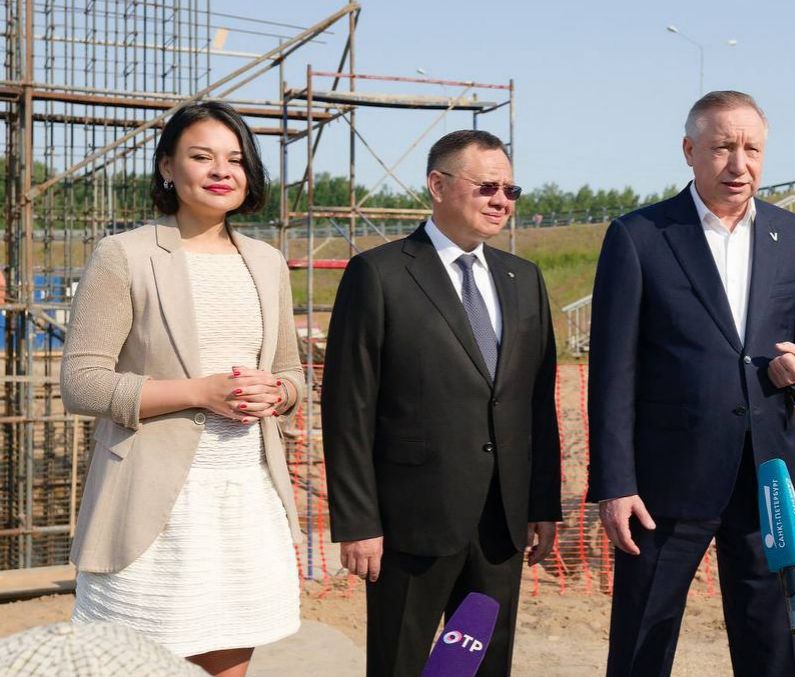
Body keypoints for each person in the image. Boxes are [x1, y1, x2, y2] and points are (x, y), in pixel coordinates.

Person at [587, 91, 795, 677]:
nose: (739, 164)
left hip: (767, 481)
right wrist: (615, 483)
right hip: (663, 485)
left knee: (773, 642)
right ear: (689, 150)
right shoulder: (639, 236)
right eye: (723, 147)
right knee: (642, 644)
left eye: (752, 149)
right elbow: (611, 372)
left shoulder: (793, 235)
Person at [61, 101, 306, 677]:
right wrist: (200, 392)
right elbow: (81, 383)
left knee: (229, 662)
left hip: (246, 495)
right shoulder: (124, 255)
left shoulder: (267, 262)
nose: (222, 171)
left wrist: (278, 393)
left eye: (236, 160)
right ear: (168, 167)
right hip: (153, 504)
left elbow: (294, 373)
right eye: (202, 156)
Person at [322, 129, 562, 677]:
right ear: (437, 185)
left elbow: (536, 404)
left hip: (501, 524)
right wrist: (357, 521)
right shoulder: (380, 274)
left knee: (480, 664)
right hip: (411, 524)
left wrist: (542, 503)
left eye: (510, 190)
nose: (501, 200)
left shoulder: (524, 279)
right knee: (401, 663)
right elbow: (348, 409)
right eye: (487, 187)